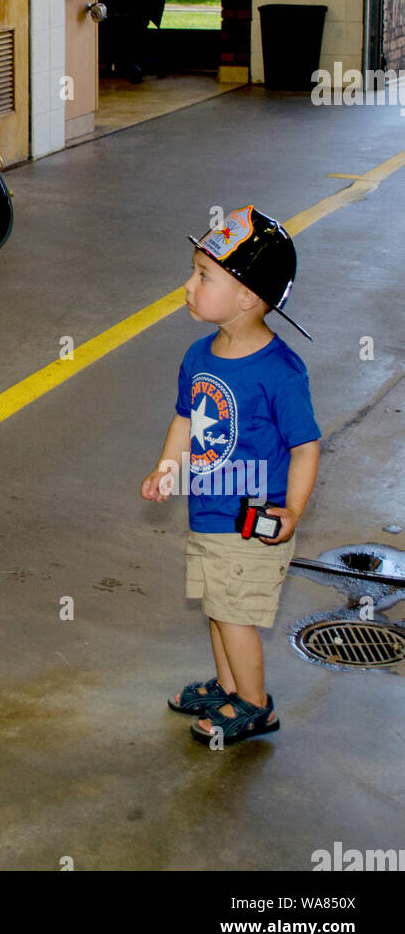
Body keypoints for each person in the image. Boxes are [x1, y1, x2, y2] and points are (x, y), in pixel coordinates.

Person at [141, 207, 320, 744]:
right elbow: (184, 415)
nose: (189, 286)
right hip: (209, 513)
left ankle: (255, 704)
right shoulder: (199, 355)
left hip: (251, 523)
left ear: (248, 297)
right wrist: (166, 467)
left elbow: (307, 447)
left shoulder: (280, 371)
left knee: (236, 615)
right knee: (219, 608)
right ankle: (229, 685)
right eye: (194, 271)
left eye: (203, 276)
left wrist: (293, 510)